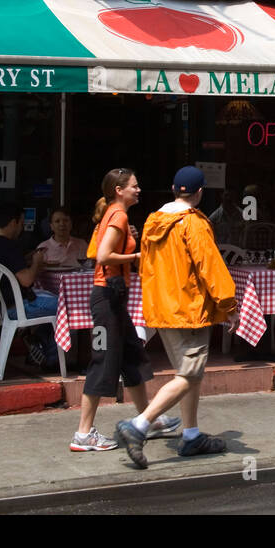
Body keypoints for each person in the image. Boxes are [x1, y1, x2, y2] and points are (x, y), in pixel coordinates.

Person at [115, 166, 238, 467]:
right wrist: (228, 305)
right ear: (199, 193)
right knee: (190, 375)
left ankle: (192, 435)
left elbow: (145, 267)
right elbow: (210, 267)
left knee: (189, 374)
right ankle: (140, 425)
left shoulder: (153, 221)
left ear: (173, 189)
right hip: (189, 309)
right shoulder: (193, 223)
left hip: (163, 309)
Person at [70, 170, 179, 453]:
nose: (139, 189)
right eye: (134, 186)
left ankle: (148, 420)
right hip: (107, 297)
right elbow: (102, 255)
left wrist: (128, 241)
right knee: (103, 361)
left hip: (113, 298)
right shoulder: (117, 215)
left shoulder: (113, 214)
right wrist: (137, 256)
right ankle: (83, 434)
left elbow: (100, 248)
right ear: (119, 190)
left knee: (132, 356)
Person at [0, 203, 58, 369]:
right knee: (66, 306)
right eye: (21, 223)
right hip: (20, 306)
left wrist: (27, 259)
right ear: (13, 223)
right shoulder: (9, 246)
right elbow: (27, 280)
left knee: (54, 305)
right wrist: (37, 263)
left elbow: (11, 267)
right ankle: (52, 360)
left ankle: (37, 342)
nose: (22, 227)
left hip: (4, 305)